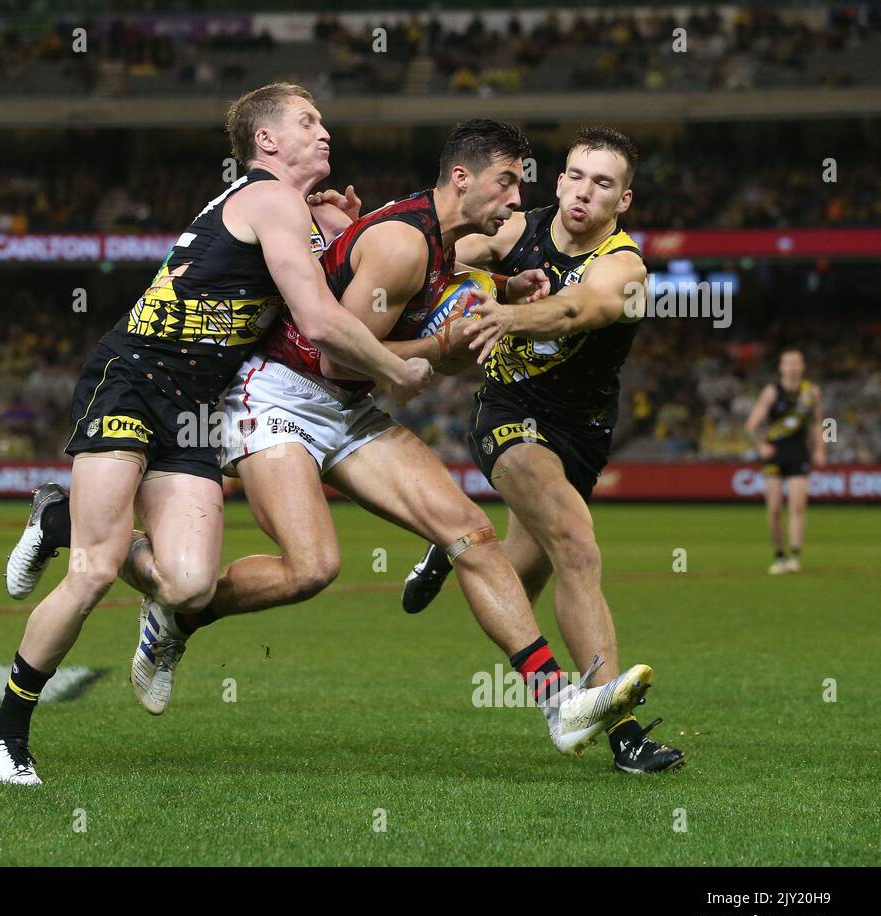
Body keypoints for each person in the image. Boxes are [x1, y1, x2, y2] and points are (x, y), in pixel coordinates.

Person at [121, 118, 652, 761]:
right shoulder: (405, 247)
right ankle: (177, 614)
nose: (519, 201)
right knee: (312, 567)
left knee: (472, 535)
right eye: (508, 185)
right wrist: (438, 345)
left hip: (348, 408)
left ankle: (558, 704)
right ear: (464, 180)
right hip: (281, 393)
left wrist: (500, 295)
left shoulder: (452, 245)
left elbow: (433, 320)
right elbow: (341, 357)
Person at [0, 82, 432, 785]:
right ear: (267, 141)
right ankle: (6, 735)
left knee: (188, 588)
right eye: (306, 122)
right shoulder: (267, 197)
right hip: (132, 378)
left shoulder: (295, 211)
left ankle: (58, 516)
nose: (325, 132)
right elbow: (316, 320)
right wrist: (395, 368)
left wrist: (337, 231)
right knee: (97, 570)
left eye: (322, 120)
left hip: (196, 406)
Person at [400, 127, 684, 773]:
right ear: (558, 180)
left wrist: (505, 314)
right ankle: (625, 736)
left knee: (514, 585)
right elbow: (425, 251)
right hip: (508, 414)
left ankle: (455, 543)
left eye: (603, 183)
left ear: (624, 200)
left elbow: (579, 310)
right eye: (577, 176)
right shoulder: (513, 230)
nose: (586, 191)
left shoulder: (625, 265)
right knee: (577, 549)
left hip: (581, 433)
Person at [744, 349, 826, 574]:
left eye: (796, 363)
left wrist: (820, 449)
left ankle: (795, 556)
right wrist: (760, 445)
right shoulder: (771, 392)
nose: (792, 367)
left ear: (802, 366)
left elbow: (818, 422)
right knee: (774, 510)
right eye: (788, 363)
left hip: (799, 452)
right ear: (781, 367)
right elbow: (751, 424)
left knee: (798, 506)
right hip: (776, 454)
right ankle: (779, 556)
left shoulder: (812, 392)